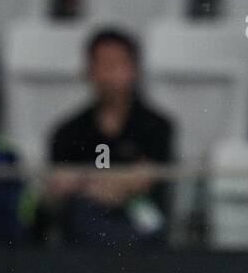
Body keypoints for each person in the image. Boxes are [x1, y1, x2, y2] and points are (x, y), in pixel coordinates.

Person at [42, 29, 174, 245]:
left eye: (117, 65)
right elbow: (56, 185)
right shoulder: (67, 131)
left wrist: (84, 182)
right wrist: (115, 184)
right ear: (88, 71)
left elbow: (146, 178)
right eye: (103, 66)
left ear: (134, 70)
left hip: (139, 219)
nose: (110, 76)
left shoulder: (157, 126)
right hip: (85, 224)